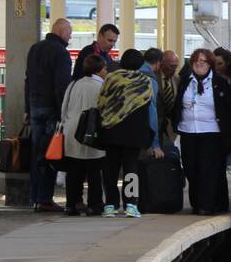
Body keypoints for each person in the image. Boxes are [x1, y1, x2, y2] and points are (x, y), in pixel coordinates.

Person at [96, 49, 162, 218]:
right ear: (140, 64)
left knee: (110, 169)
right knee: (131, 169)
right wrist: (153, 137)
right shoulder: (145, 81)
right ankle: (130, 204)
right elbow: (150, 110)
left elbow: (101, 102)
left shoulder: (111, 78)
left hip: (112, 130)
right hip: (134, 132)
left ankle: (110, 205)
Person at [172, 49, 231, 215]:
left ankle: (207, 205)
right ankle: (197, 202)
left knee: (208, 170)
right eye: (196, 61)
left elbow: (229, 108)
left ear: (210, 64)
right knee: (191, 168)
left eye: (204, 61)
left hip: (211, 133)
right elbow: (178, 103)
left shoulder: (220, 83)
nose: (199, 63)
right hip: (188, 132)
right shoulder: (185, 81)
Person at [23, 18, 73, 212]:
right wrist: (64, 112)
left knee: (37, 154)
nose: (70, 37)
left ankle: (35, 197)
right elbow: (61, 85)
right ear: (61, 32)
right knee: (51, 153)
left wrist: (27, 108)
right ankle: (45, 199)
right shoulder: (61, 53)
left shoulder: (34, 49)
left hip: (35, 106)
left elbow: (28, 80)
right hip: (52, 109)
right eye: (69, 33)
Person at [60, 54, 108, 216]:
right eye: (105, 68)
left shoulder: (73, 84)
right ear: (99, 70)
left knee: (74, 171)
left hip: (72, 131)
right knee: (94, 171)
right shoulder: (102, 86)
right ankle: (95, 204)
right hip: (92, 133)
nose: (106, 71)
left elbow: (63, 109)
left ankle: (72, 204)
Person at [158, 49, 180, 151]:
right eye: (172, 66)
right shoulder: (153, 78)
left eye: (176, 66)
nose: (174, 69)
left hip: (170, 128)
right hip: (155, 125)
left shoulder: (176, 79)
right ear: (162, 63)